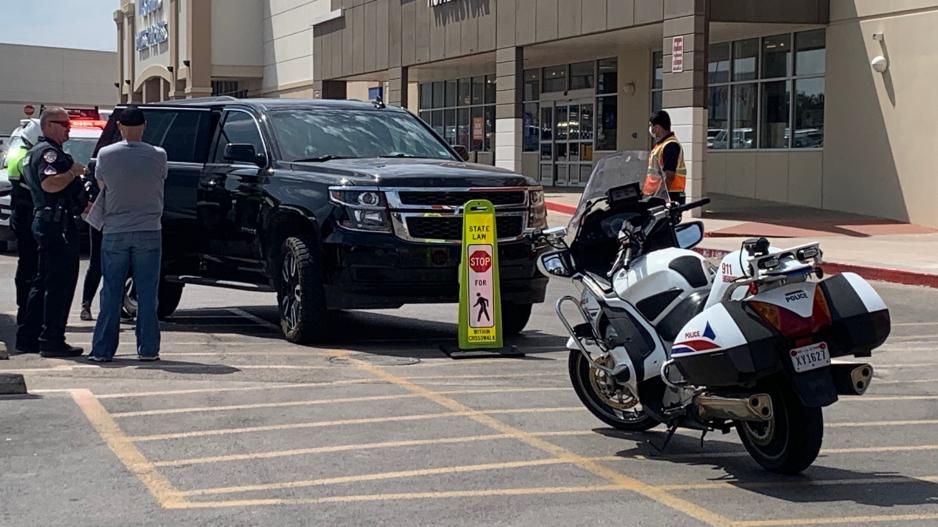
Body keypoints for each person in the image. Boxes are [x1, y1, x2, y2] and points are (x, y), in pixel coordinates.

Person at [88, 107, 167, 362]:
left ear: (120, 127)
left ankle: (102, 350)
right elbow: (162, 178)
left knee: (110, 290)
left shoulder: (106, 154)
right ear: (144, 126)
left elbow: (102, 185)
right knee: (147, 292)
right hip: (149, 229)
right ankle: (148, 349)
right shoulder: (159, 155)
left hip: (115, 229)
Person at [15, 108, 86, 357]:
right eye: (64, 124)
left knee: (42, 281)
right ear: (48, 126)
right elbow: (50, 184)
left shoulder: (36, 153)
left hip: (47, 222)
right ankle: (52, 339)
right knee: (59, 285)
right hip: (57, 225)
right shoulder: (49, 154)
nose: (69, 128)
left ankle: (29, 337)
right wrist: (73, 172)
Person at [7, 120, 41, 327]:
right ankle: (27, 312)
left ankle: (25, 310)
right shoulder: (25, 155)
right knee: (30, 265)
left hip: (20, 212)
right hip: (27, 213)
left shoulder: (17, 150)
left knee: (26, 264)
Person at [643, 110, 687, 203]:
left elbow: (669, 176)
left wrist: (658, 197)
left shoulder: (670, 145)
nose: (650, 129)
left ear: (657, 128)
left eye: (651, 126)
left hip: (669, 195)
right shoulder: (661, 145)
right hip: (658, 194)